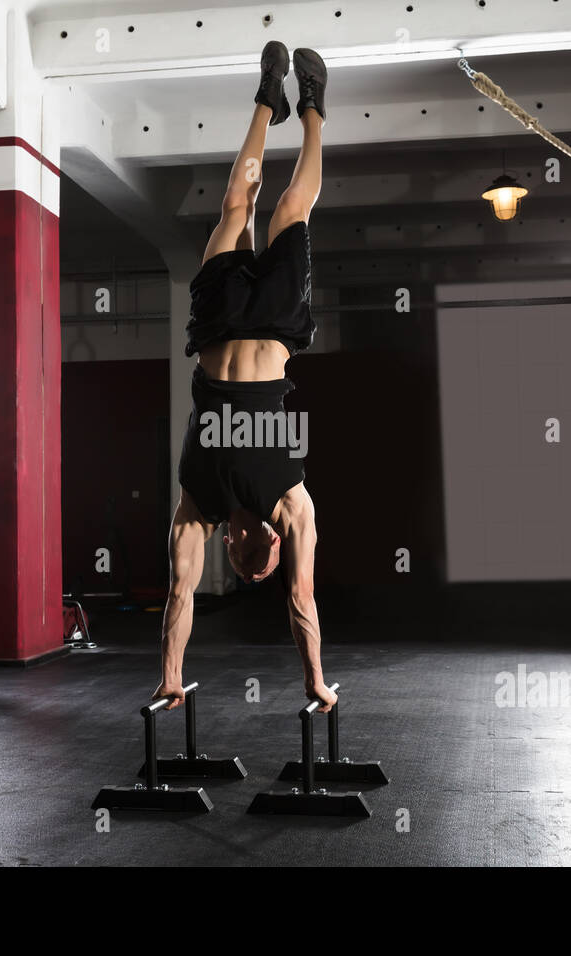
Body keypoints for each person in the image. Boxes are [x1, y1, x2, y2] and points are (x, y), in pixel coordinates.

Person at [153, 42, 337, 713]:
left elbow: (179, 595)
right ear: (274, 540)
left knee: (236, 204)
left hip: (217, 321)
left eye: (240, 553)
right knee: (290, 209)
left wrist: (171, 671)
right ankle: (311, 111)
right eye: (257, 553)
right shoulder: (294, 506)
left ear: (229, 544)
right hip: (275, 326)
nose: (246, 545)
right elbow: (301, 598)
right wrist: (315, 678)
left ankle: (266, 99)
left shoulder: (197, 506)